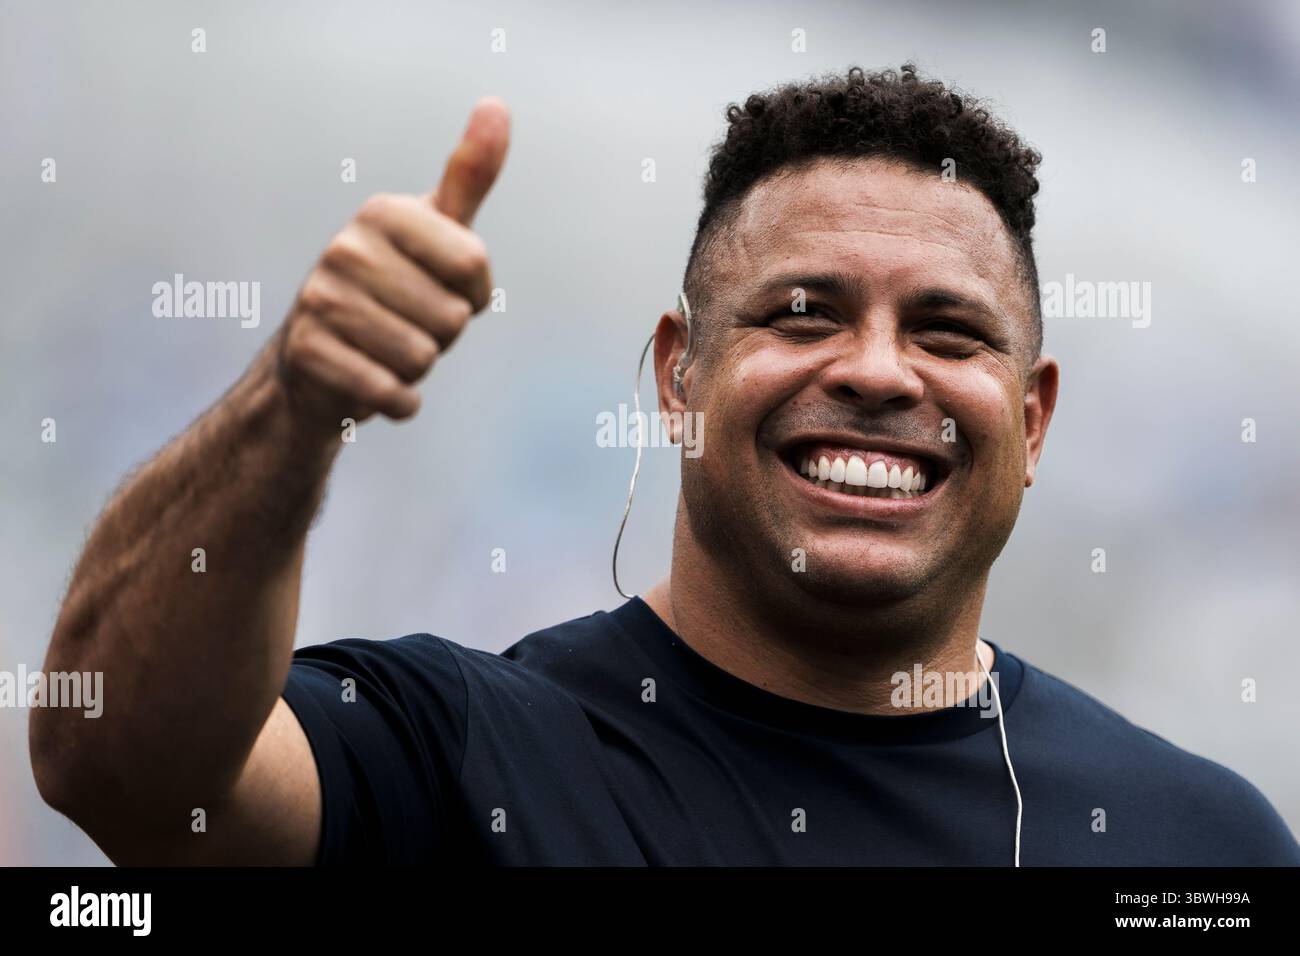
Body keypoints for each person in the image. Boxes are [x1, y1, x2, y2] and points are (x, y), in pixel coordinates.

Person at [31, 64, 1300, 865]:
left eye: (946, 330)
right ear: (674, 374)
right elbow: (122, 767)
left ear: (1031, 419)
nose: (876, 370)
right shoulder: (458, 753)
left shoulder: (1198, 842)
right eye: (801, 311)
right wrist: (292, 403)